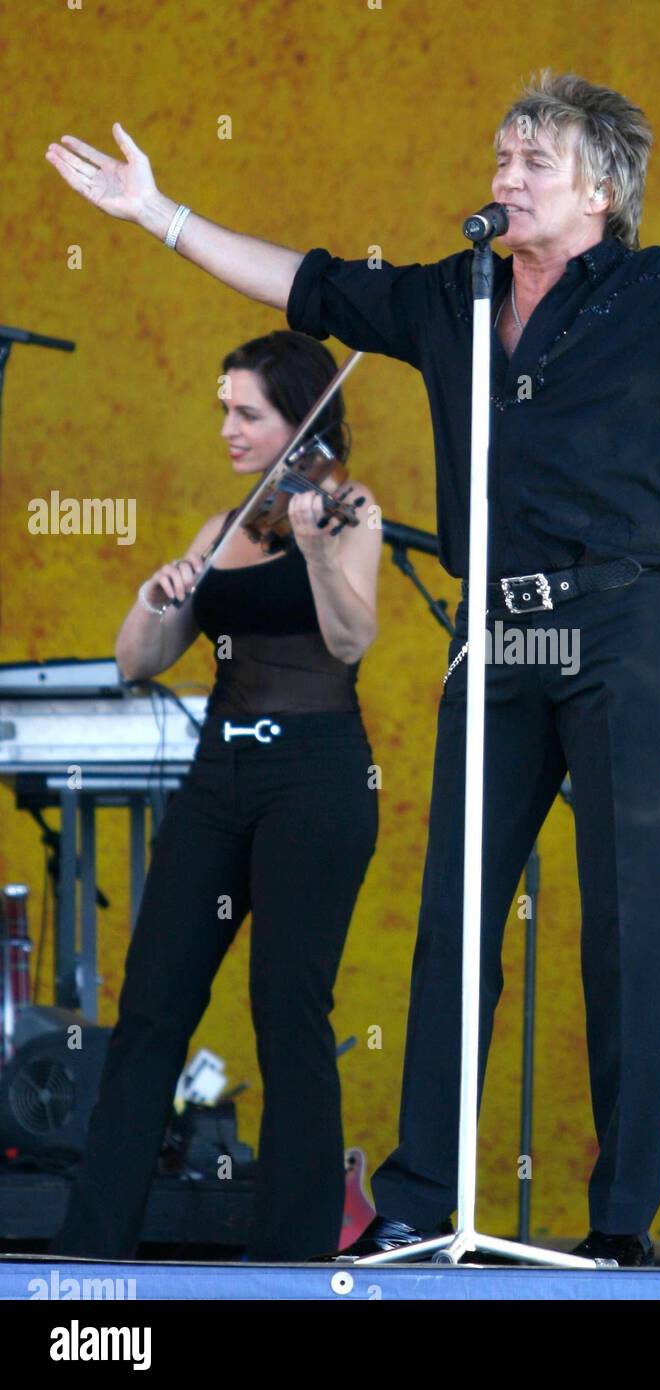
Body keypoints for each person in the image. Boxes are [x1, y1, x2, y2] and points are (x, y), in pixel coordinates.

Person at [46, 69, 660, 1266]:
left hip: (616, 625)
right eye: (500, 160)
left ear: (600, 188)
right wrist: (160, 214)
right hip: (494, 632)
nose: (503, 180)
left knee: (626, 919)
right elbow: (305, 283)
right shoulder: (453, 293)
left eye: (532, 164)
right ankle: (418, 1195)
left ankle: (621, 1221)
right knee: (457, 919)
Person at [50, 330, 382, 1263]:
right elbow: (134, 661)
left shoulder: (351, 511)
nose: (229, 429)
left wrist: (317, 553)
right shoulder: (220, 525)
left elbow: (354, 640)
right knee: (153, 1004)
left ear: (299, 421)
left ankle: (293, 1256)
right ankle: (91, 1248)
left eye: (248, 413)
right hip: (217, 778)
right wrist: (158, 598)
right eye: (223, 411)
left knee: (288, 1007)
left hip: (314, 780)